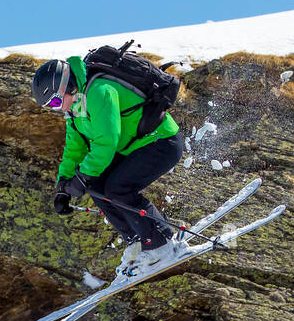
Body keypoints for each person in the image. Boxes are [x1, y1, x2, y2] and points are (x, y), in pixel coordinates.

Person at [32, 56, 188, 279]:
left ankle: (160, 243)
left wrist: (83, 177)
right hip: (135, 147)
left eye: (56, 102)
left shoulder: (99, 91)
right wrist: (63, 185)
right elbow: (74, 148)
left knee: (118, 188)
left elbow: (107, 142)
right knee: (97, 185)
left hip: (161, 142)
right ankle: (136, 241)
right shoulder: (76, 106)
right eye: (51, 107)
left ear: (67, 85)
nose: (57, 109)